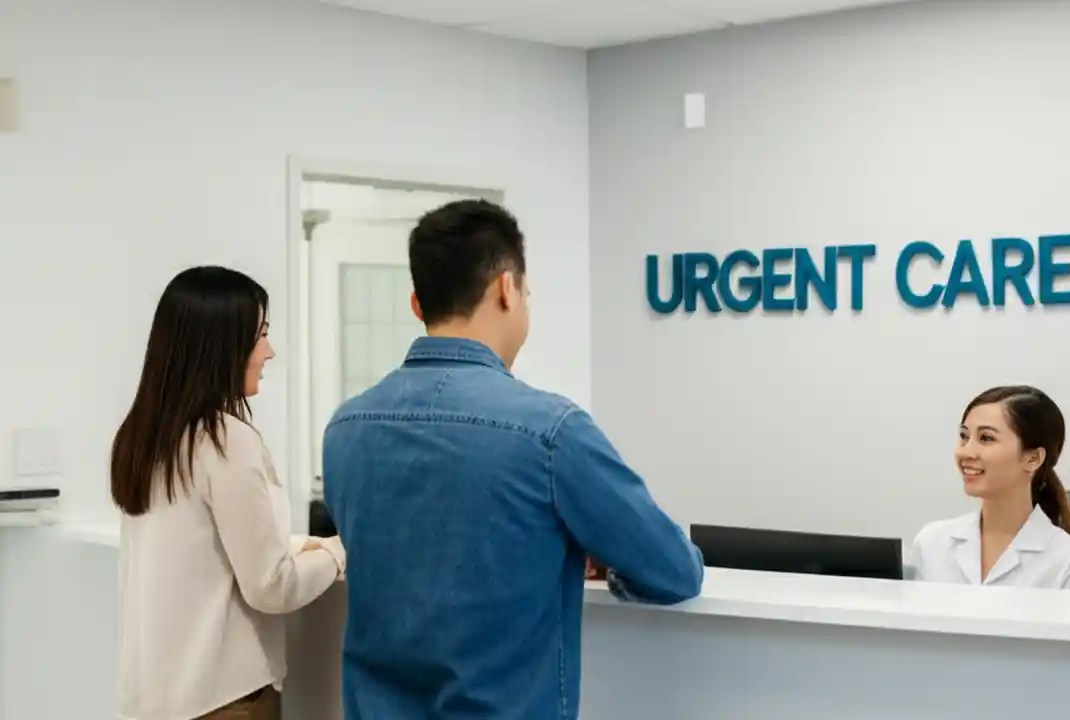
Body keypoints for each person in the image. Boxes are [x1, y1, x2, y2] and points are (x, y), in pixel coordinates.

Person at [323, 199, 703, 719]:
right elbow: (674, 570)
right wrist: (601, 558)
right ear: (507, 288)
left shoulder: (347, 429)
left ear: (417, 303)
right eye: (526, 291)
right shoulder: (551, 432)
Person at [112, 266, 346, 720]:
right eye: (260, 335)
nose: (269, 351)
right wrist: (340, 551)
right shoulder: (226, 440)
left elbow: (203, 547)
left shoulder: (146, 437)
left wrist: (300, 544)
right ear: (221, 344)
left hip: (152, 699)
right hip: (225, 702)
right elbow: (271, 586)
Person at [910, 385, 1070, 590]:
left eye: (987, 438)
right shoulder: (931, 543)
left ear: (1033, 459)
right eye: (964, 436)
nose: (966, 452)